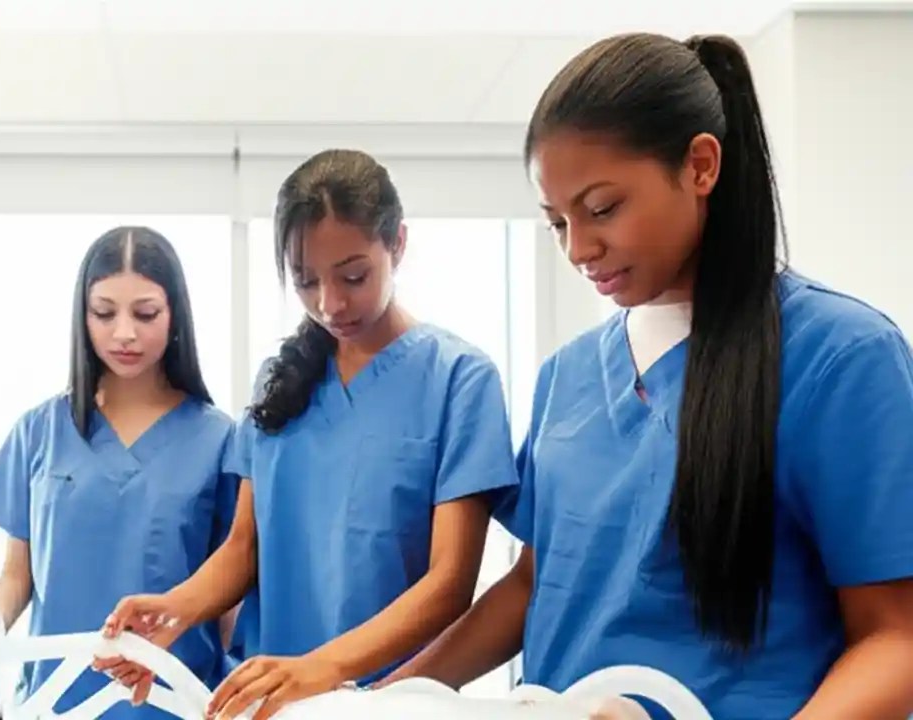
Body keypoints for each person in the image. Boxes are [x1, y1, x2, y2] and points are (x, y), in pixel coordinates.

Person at [383, 32, 913, 719]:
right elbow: (535, 583)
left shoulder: (839, 358)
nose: (580, 248)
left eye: (602, 209)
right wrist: (392, 698)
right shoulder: (567, 377)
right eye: (558, 223)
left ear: (699, 166)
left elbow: (895, 639)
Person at [94, 149, 519, 720]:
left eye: (353, 276)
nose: (330, 303)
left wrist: (325, 669)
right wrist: (173, 611)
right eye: (305, 282)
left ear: (397, 244)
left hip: (393, 702)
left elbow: (450, 583)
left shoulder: (459, 380)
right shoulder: (280, 382)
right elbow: (244, 548)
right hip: (273, 701)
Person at [0, 227, 240, 718]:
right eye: (104, 313)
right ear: (82, 316)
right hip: (54, 705)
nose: (124, 333)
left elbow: (227, 602)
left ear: (175, 315)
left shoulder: (220, 441)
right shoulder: (40, 432)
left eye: (145, 313)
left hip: (173, 704)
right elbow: (16, 579)